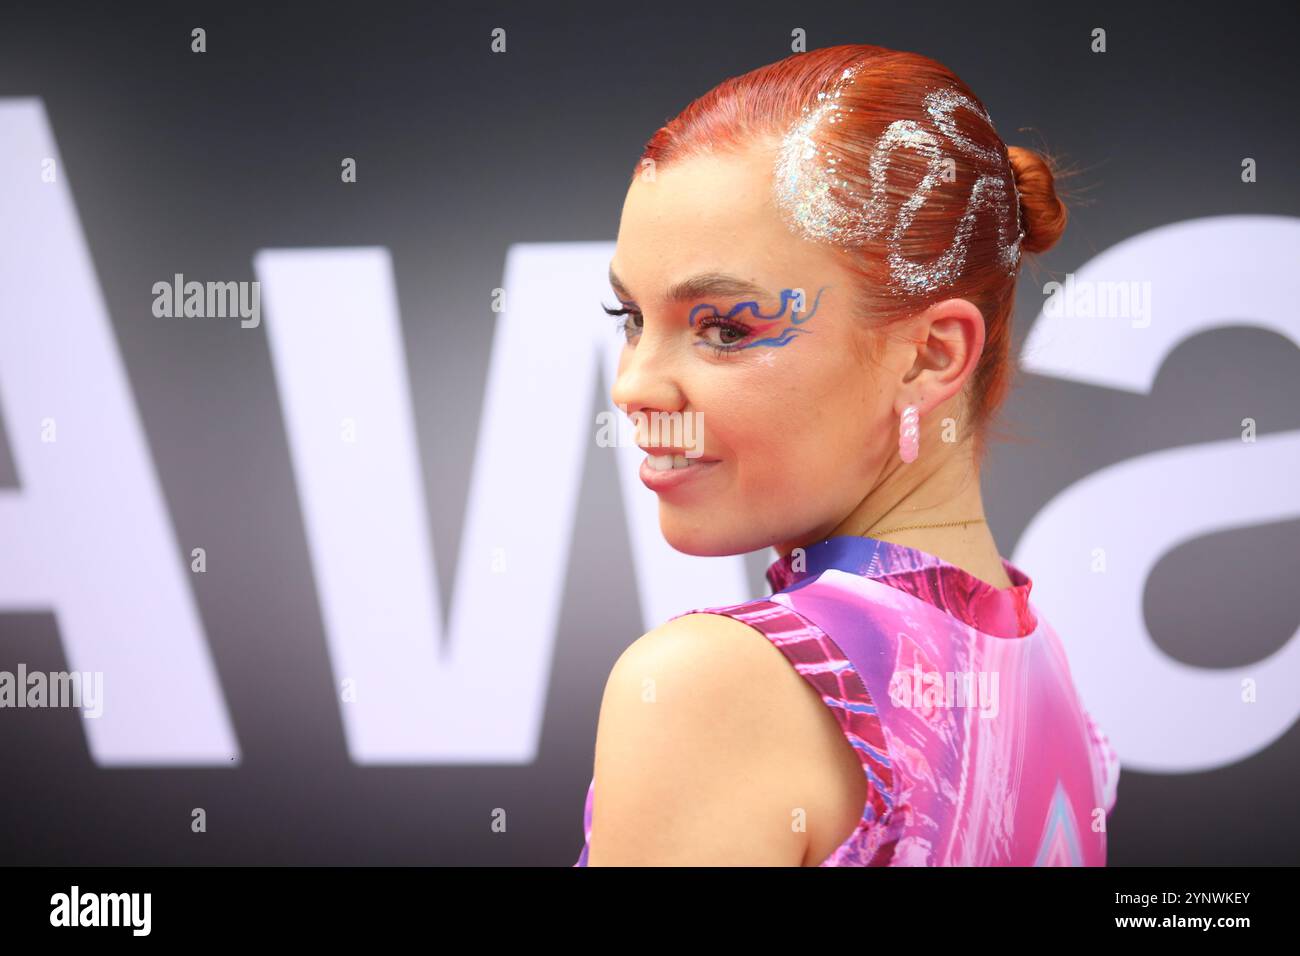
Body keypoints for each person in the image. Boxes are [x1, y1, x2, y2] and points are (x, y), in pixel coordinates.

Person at [575, 43, 1118, 866]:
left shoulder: (712, 686)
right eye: (631, 317)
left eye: (725, 327)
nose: (633, 386)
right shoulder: (1049, 673)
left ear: (932, 355)